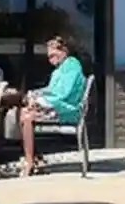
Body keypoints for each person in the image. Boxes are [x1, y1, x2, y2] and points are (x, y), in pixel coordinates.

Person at [18, 36, 87, 177]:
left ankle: (30, 162)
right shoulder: (59, 70)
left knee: (27, 117)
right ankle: (34, 157)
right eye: (49, 57)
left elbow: (63, 94)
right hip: (58, 106)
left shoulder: (72, 68)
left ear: (64, 51)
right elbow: (51, 89)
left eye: (54, 55)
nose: (51, 59)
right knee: (23, 112)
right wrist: (37, 94)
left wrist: (41, 100)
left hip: (69, 109)